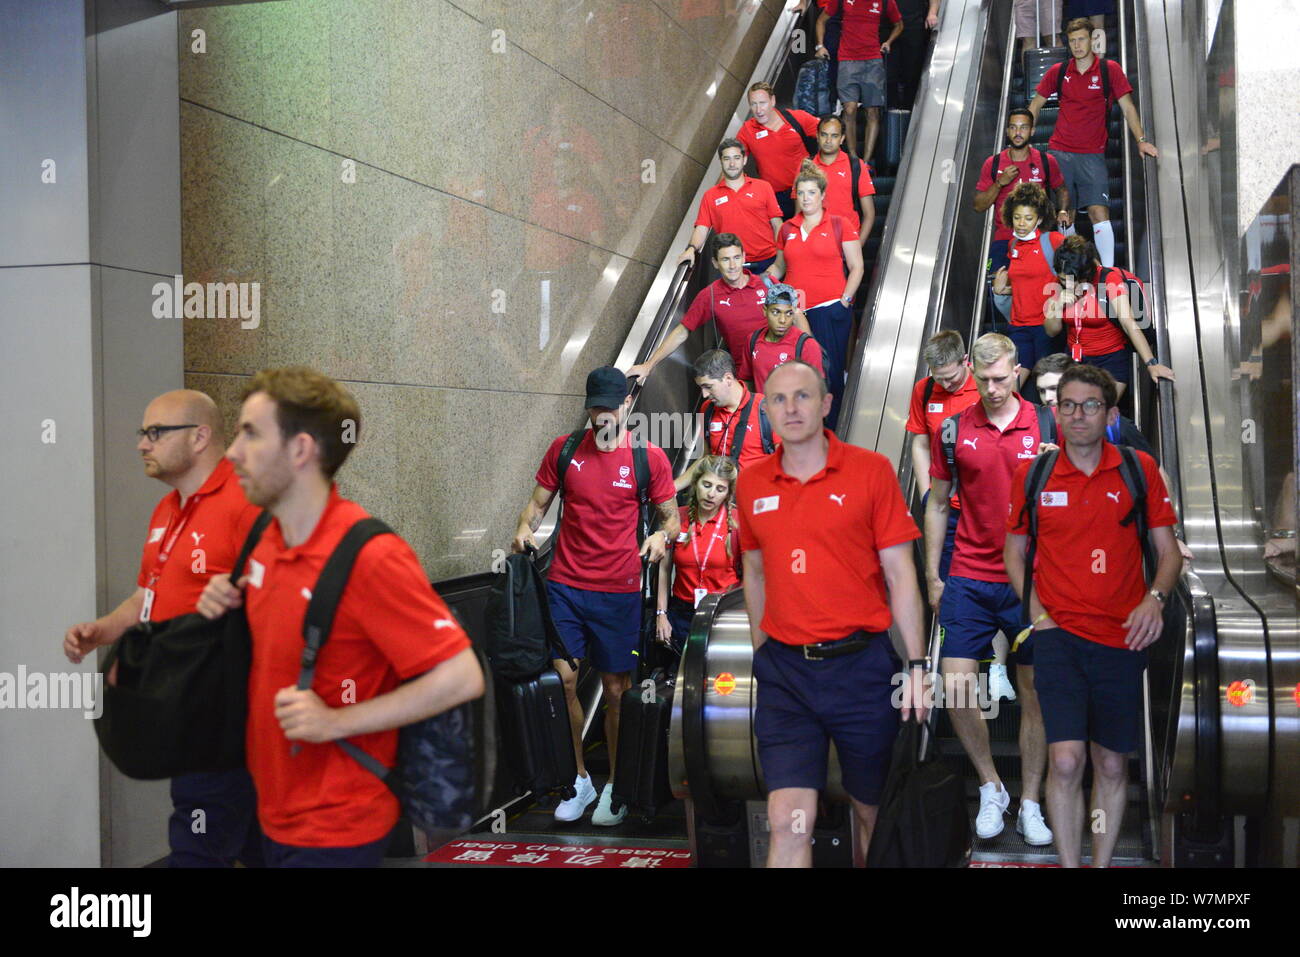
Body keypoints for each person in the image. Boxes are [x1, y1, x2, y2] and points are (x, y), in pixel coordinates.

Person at [196, 367, 485, 867]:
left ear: (301, 449)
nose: (231, 453)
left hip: (335, 826)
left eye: (250, 434)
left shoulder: (370, 556)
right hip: (266, 809)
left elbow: (461, 677)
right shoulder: (265, 538)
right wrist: (226, 598)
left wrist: (336, 721)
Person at [737, 360, 928, 867]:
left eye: (803, 396)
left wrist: (916, 667)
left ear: (826, 404)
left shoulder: (871, 471)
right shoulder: (752, 484)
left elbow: (901, 576)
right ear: (767, 412)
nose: (791, 407)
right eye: (778, 399)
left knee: (872, 812)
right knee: (786, 817)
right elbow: (753, 573)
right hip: (786, 675)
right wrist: (762, 651)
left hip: (862, 669)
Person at [64, 390, 264, 868]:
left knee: (198, 843)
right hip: (187, 704)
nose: (142, 444)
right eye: (142, 432)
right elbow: (146, 596)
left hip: (223, 709)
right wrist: (103, 630)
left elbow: (276, 603)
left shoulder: (245, 502)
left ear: (200, 437)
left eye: (155, 432)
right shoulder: (168, 509)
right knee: (249, 840)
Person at [1004, 363, 1181, 867]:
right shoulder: (1033, 474)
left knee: (1109, 761)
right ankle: (1068, 862)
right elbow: (1013, 552)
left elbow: (1166, 552)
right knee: (1064, 760)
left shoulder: (1136, 469)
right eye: (1068, 405)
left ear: (1110, 413)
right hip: (1058, 636)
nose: (1078, 415)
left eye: (1090, 405)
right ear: (1055, 411)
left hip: (1123, 637)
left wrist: (1156, 598)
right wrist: (1036, 613)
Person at [512, 367, 680, 826]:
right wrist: (524, 528)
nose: (604, 417)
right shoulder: (565, 450)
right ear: (589, 408)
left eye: (613, 408)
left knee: (615, 691)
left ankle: (616, 787)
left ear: (628, 405)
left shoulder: (649, 458)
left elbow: (671, 519)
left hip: (619, 592)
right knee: (563, 681)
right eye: (596, 410)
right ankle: (580, 779)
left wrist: (663, 538)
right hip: (565, 586)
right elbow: (537, 504)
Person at [925, 333, 1054, 846]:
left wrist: (1056, 470)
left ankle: (1031, 801)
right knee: (954, 685)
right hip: (970, 575)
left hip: (1032, 581)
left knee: (1035, 696)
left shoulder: (1046, 425)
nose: (993, 388)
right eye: (984, 380)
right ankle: (991, 785)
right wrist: (935, 575)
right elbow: (937, 503)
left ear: (1018, 371)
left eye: (1001, 378)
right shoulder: (954, 430)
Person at [1032, 353, 1195, 564]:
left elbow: (1157, 476)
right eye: (1041, 391)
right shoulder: (1038, 425)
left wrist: (1170, 537)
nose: (1048, 398)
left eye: (1054, 388)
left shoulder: (1112, 425)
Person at [1028, 17, 1158, 268]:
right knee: (1066, 215)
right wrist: (1027, 124)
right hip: (1060, 152)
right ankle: (1076, 269)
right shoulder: (1059, 72)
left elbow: (1128, 108)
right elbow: (1035, 103)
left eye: (1081, 39)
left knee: (1100, 212)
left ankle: (1108, 272)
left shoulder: (1110, 70)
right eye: (1072, 40)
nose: (1077, 45)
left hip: (1092, 155)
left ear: (1092, 40)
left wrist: (1141, 140)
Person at [628, 233, 811, 383]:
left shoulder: (766, 283)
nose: (733, 266)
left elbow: (795, 314)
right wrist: (649, 365)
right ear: (715, 263)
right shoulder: (710, 296)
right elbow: (682, 332)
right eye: (725, 260)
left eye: (736, 258)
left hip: (785, 366)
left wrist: (809, 354)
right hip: (750, 376)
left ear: (744, 257)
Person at [764, 159, 864, 430]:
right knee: (803, 372)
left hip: (830, 310)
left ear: (822, 195)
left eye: (812, 192)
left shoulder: (839, 223)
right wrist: (765, 278)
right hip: (795, 312)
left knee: (828, 372)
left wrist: (844, 301)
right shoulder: (787, 229)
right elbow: (781, 266)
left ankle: (833, 430)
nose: (806, 198)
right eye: (802, 192)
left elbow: (857, 267)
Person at [1044, 236, 1174, 398]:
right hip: (1075, 359)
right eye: (1064, 279)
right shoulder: (1060, 283)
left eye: (1075, 280)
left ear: (1087, 273)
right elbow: (1052, 331)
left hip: (1111, 360)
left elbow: (1128, 322)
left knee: (1099, 413)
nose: (1069, 285)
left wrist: (1151, 363)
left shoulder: (1108, 279)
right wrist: (1057, 307)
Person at [657, 455, 742, 652]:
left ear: (728, 494)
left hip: (723, 612)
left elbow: (752, 574)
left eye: (720, 489)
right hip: (681, 613)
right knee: (680, 676)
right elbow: (664, 568)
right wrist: (661, 614)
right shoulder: (678, 517)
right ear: (695, 484)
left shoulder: (738, 522)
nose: (711, 494)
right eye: (706, 484)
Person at [989, 183, 1067, 394]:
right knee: (1011, 392)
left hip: (1046, 327)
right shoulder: (1013, 245)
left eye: (1028, 218)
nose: (1021, 223)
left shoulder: (1053, 241)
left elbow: (1082, 265)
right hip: (1018, 325)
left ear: (1039, 219)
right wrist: (1002, 290)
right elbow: (1023, 284)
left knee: (1050, 392)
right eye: (1017, 217)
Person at [974, 108, 1069, 278]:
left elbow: (1061, 189)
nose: (1018, 133)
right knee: (998, 290)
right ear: (1007, 131)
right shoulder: (993, 163)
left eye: (1023, 127)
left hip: (1040, 238)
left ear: (1032, 131)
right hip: (1004, 239)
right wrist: (999, 183)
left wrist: (1062, 210)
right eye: (1013, 127)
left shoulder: (1047, 161)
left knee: (1042, 287)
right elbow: (978, 206)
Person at [816, 0, 903, 164]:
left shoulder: (885, 2)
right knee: (849, 110)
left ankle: (867, 162)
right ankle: (853, 158)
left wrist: (888, 42)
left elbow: (899, 24)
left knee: (873, 112)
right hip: (847, 60)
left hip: (872, 62)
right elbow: (821, 20)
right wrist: (819, 46)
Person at [678, 139, 784, 274]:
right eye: (727, 159)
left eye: (737, 158)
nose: (732, 164)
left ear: (744, 160)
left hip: (767, 262)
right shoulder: (710, 196)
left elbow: (777, 224)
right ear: (721, 161)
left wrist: (780, 260)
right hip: (732, 267)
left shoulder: (763, 187)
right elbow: (701, 228)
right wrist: (691, 249)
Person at [688, 349, 780, 487]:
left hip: (757, 498)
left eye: (708, 387)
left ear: (728, 379)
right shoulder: (706, 409)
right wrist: (671, 488)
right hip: (721, 497)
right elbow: (706, 459)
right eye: (701, 388)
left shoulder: (768, 409)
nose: (704, 395)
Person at [736, 83, 821, 220]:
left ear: (773, 101)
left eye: (762, 103)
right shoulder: (747, 131)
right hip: (778, 199)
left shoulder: (797, 118)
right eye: (753, 104)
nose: (758, 110)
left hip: (807, 188)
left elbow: (829, 134)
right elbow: (733, 161)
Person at [738, 282, 827, 397]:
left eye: (789, 313)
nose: (782, 320)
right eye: (776, 312)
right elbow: (747, 379)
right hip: (761, 412)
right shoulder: (753, 340)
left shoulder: (806, 345)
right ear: (765, 310)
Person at [797, 115, 877, 241]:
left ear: (842, 139)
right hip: (814, 241)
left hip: (846, 242)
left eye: (834, 136)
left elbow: (869, 213)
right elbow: (799, 213)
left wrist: (857, 246)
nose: (828, 140)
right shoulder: (806, 166)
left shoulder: (855, 165)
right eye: (824, 135)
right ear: (817, 136)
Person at [887, 1, 942, 110]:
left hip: (914, 26)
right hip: (888, 27)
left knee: (912, 75)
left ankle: (909, 113)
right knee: (888, 76)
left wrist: (932, 13)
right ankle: (890, 117)